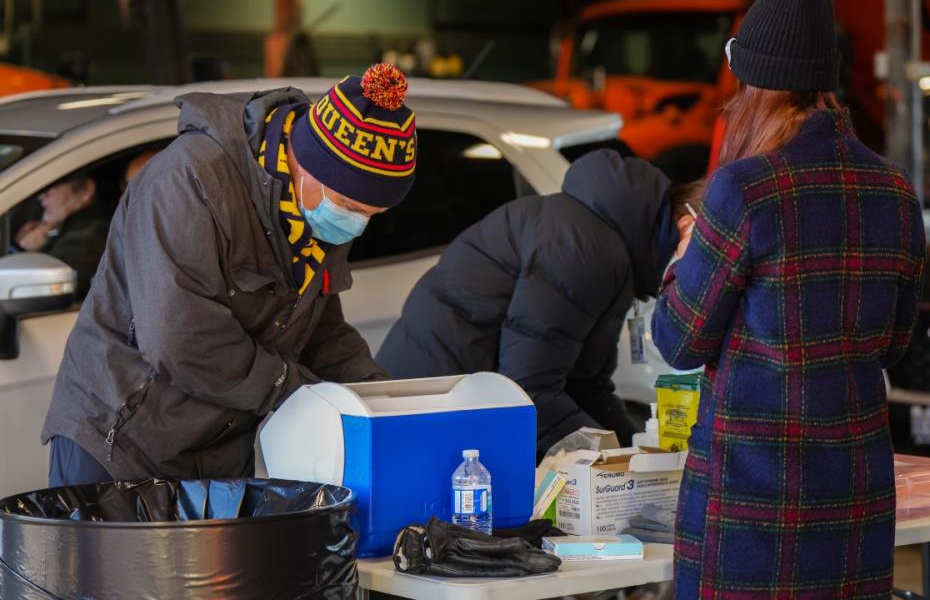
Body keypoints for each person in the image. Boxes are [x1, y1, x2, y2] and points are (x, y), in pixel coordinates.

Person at [651, 0, 925, 598]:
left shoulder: (745, 188)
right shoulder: (894, 190)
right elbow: (893, 345)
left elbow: (680, 340)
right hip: (855, 500)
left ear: (754, 82)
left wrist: (684, 261)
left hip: (751, 511)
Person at [43, 63, 417, 487]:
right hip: (124, 441)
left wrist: (382, 404)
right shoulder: (189, 180)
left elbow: (320, 329)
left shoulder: (311, 210)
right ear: (307, 164)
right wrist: (295, 388)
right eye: (350, 206)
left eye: (372, 214)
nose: (357, 223)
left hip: (219, 450)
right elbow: (180, 339)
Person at [376, 150, 684, 457]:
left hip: (450, 406)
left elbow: (586, 385)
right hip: (427, 413)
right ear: (685, 227)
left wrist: (640, 456)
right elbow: (529, 389)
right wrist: (613, 465)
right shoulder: (583, 249)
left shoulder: (606, 246)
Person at [15, 173, 111, 301]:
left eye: (51, 189)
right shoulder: (71, 228)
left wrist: (29, 249)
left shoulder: (91, 235)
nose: (41, 197)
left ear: (86, 190)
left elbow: (47, 288)